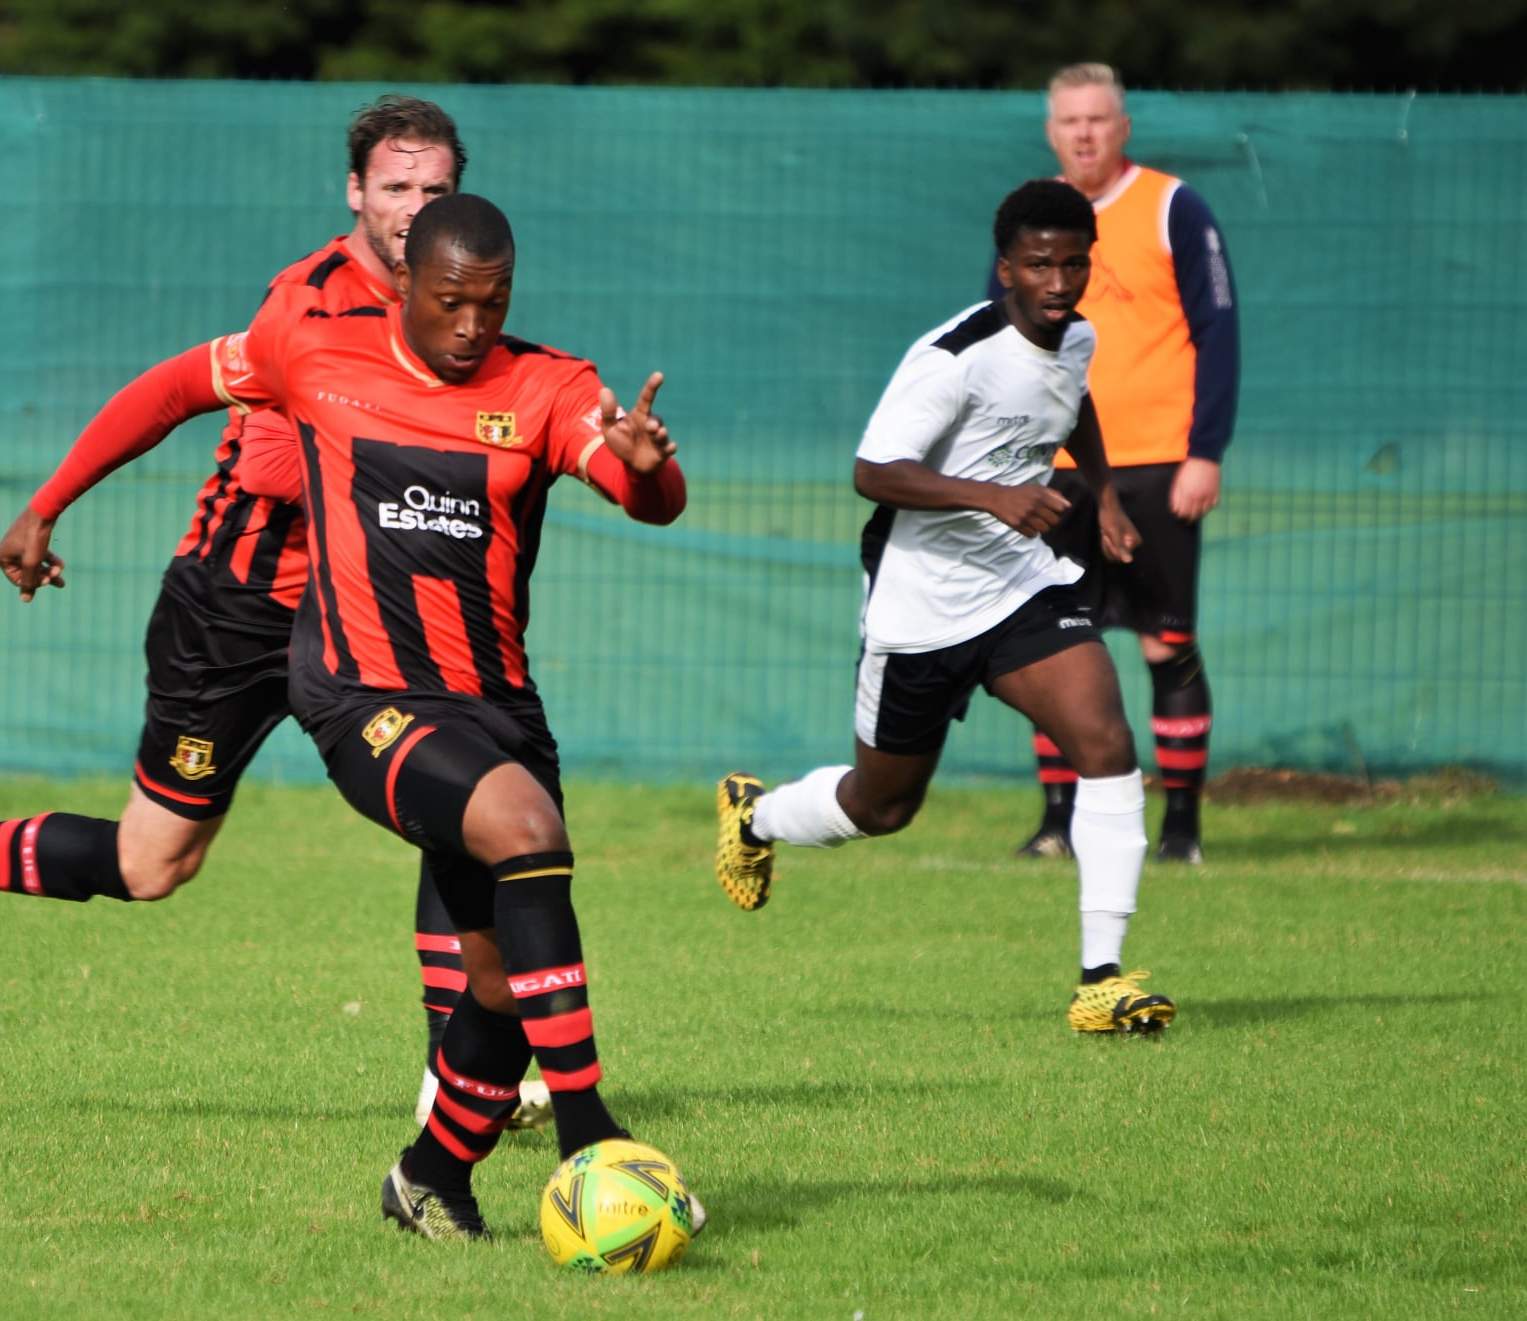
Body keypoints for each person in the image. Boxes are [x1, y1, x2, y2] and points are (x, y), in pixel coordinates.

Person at [0, 95, 548, 1130]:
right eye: (394, 188)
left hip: (369, 621)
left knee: (462, 801)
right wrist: (45, 504)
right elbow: (187, 395)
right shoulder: (307, 309)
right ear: (353, 193)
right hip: (238, 608)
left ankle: (451, 1072)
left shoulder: (458, 306)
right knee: (152, 864)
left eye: (433, 189)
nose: (413, 207)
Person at [205, 192, 695, 1240]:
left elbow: (635, 487)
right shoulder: (315, 351)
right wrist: (46, 504)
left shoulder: (549, 383)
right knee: (525, 831)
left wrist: (650, 472)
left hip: (499, 714)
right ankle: (588, 1135)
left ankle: (427, 1179)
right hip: (363, 703)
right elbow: (170, 389)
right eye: (449, 301)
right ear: (405, 289)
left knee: (502, 989)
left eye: (492, 301)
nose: (473, 323)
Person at [715, 179, 1177, 1038]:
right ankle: (757, 814)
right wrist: (993, 498)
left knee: (1107, 744)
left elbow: (1072, 402)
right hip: (918, 604)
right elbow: (872, 471)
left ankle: (1101, 980)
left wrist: (1105, 493)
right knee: (882, 807)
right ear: (1006, 267)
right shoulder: (953, 354)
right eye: (1039, 264)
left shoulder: (1077, 336)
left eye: (1074, 263)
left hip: (1016, 586)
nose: (1059, 281)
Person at [1006, 62, 1241, 865]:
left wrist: (1203, 452)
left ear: (1122, 127)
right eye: (1069, 120)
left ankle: (1180, 828)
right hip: (1055, 473)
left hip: (1155, 465)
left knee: (1163, 643)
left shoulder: (1172, 205)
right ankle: (1056, 820)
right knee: (1049, 644)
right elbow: (1001, 346)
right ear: (1050, 130)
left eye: (1097, 120)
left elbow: (1219, 330)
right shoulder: (1034, 220)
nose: (1083, 133)